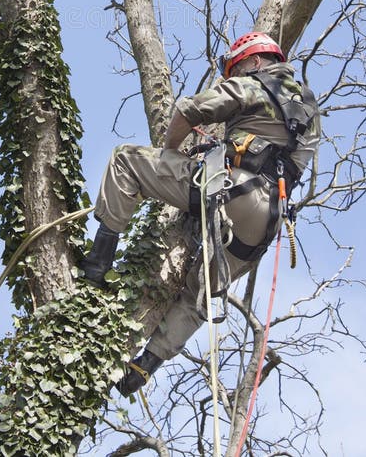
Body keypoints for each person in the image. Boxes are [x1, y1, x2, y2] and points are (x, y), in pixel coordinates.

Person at [81, 32, 320, 396]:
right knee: (202, 293)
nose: (233, 76)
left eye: (236, 69)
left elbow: (188, 110)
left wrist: (170, 151)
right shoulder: (309, 109)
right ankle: (143, 368)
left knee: (126, 160)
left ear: (255, 62)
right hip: (264, 223)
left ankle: (95, 269)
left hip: (232, 190)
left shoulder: (257, 83)